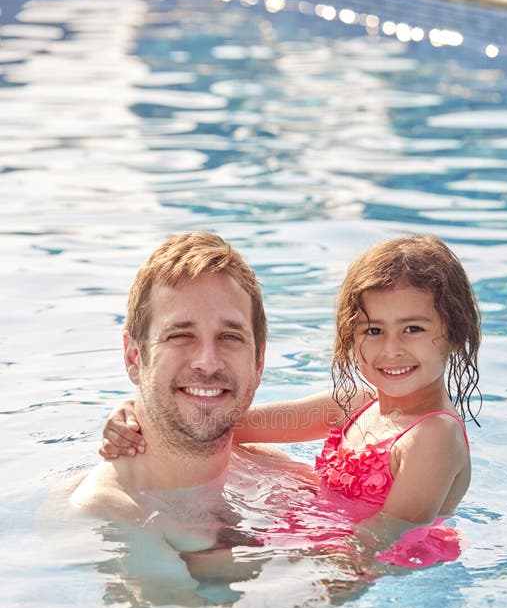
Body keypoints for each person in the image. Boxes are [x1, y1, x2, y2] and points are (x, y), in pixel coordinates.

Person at [102, 234, 481, 563]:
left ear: (453, 333)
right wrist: (134, 415)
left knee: (189, 561)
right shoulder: (354, 403)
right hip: (327, 542)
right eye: (373, 330)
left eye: (413, 328)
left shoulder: (434, 437)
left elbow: (380, 544)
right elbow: (219, 423)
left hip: (384, 582)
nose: (391, 349)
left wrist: (254, 563)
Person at [69, 230, 314, 548]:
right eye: (180, 335)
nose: (208, 363)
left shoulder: (275, 473)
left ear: (259, 361)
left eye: (230, 336)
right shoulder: (112, 514)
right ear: (134, 356)